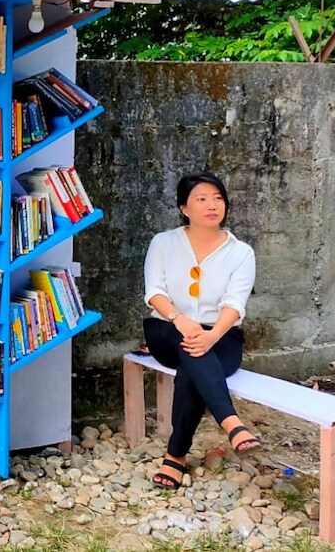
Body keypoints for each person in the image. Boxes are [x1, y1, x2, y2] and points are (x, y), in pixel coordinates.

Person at [141, 172, 259, 490]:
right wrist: (179, 319)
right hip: (166, 328)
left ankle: (175, 457)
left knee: (192, 359)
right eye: (201, 199)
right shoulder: (164, 243)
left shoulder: (241, 253)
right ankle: (230, 421)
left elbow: (235, 304)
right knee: (186, 343)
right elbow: (154, 292)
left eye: (218, 198)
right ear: (184, 208)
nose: (212, 205)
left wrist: (212, 335)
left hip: (221, 336)